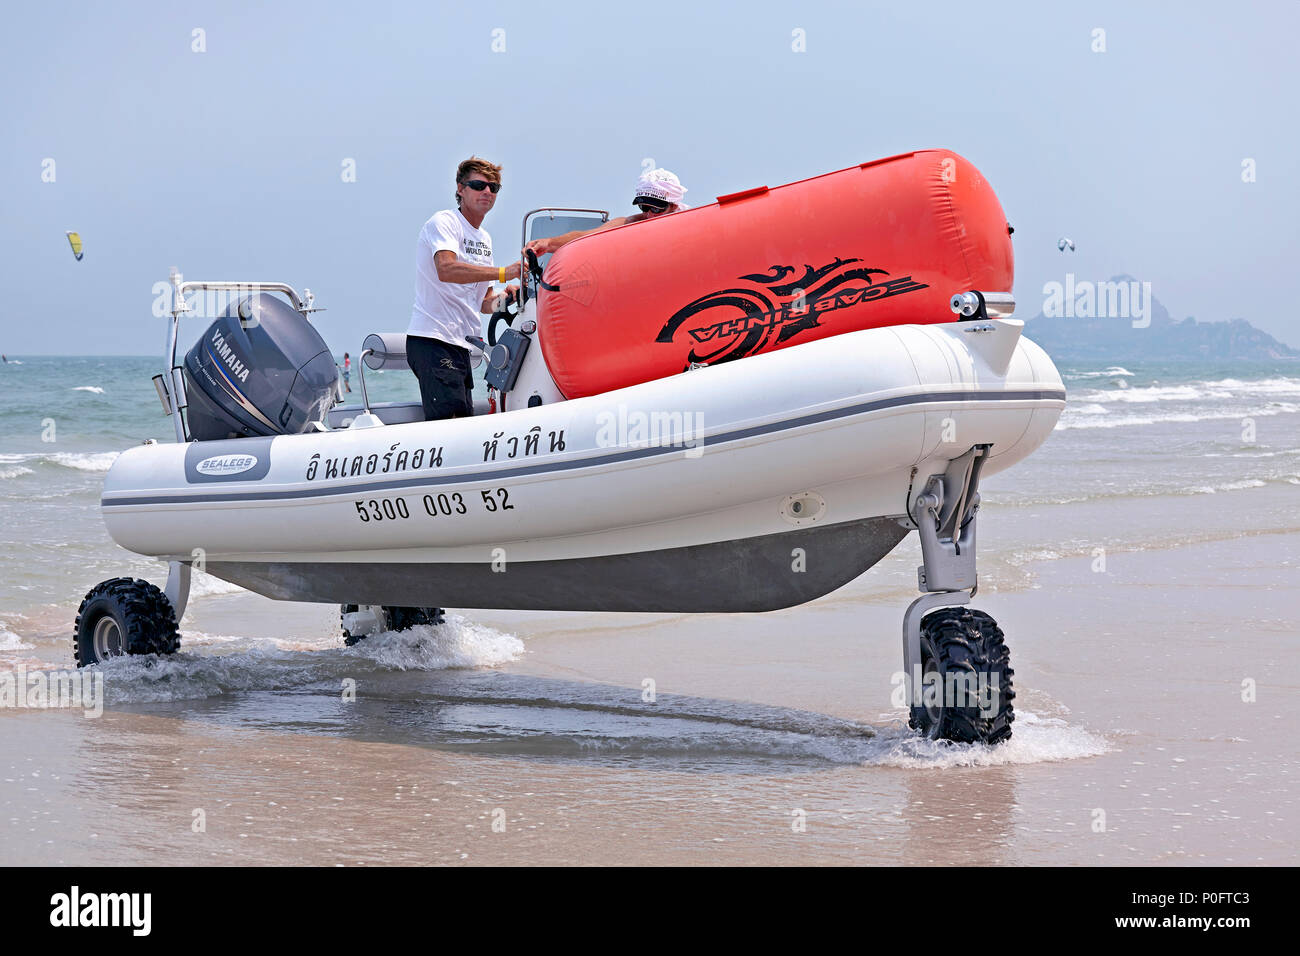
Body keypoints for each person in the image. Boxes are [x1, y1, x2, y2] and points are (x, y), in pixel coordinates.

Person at [407, 156, 521, 421]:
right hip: (433, 340)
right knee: (451, 425)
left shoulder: (484, 239)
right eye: (479, 185)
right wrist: (504, 272)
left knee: (462, 419)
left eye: (494, 188)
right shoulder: (445, 222)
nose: (487, 192)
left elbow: (484, 303)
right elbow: (446, 269)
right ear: (460, 189)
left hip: (462, 346)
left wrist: (508, 297)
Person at [524, 168, 689, 257]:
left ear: (674, 206)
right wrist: (549, 243)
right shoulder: (634, 222)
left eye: (655, 209)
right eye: (644, 208)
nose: (649, 215)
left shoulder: (690, 225)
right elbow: (590, 235)